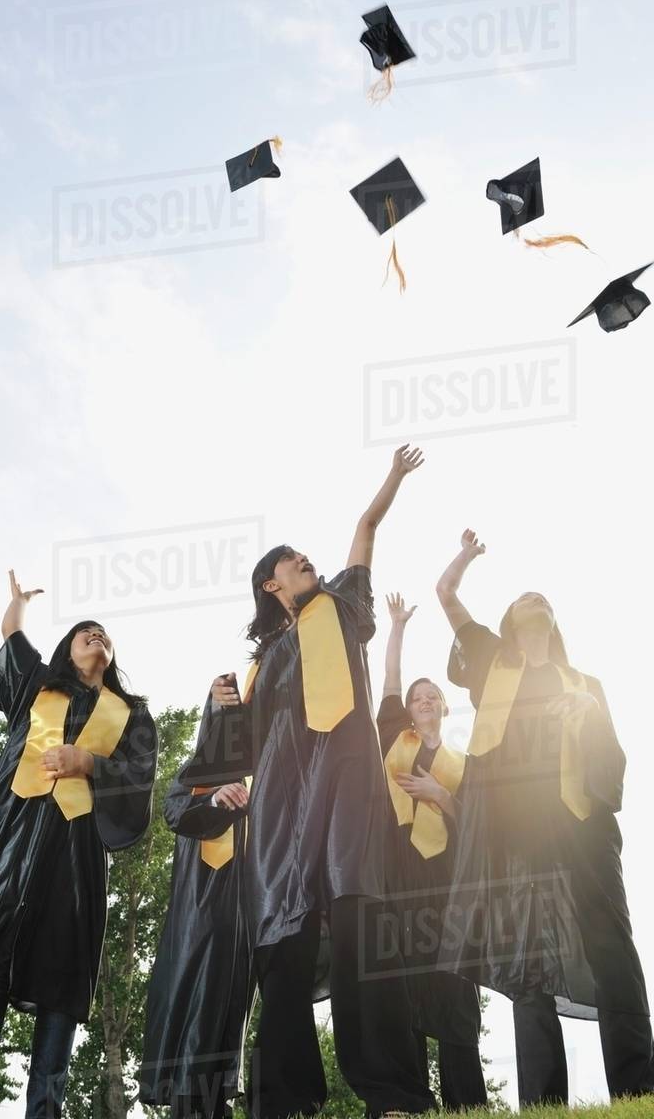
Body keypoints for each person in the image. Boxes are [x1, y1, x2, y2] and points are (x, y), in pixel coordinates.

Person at [182, 446, 437, 1119]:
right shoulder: (263, 661)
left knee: (359, 924)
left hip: (348, 780)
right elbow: (235, 749)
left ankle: (392, 1095)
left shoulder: (342, 604)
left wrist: (392, 478)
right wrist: (220, 701)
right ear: (271, 583)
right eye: (293, 561)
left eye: (306, 559)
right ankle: (287, 1101)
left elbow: (366, 528)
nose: (306, 564)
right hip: (280, 808)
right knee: (283, 948)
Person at [0, 571, 157, 1119]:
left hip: (75, 865)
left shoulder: (131, 714)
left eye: (104, 634)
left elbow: (140, 778)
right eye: (84, 631)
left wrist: (89, 761)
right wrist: (17, 606)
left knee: (60, 988)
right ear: (67, 649)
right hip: (10, 851)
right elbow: (11, 641)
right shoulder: (38, 690)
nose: (96, 636)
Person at [436, 529, 654, 1106]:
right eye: (523, 597)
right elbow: (447, 592)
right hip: (517, 833)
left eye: (542, 597)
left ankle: (638, 1082)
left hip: (583, 828)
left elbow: (613, 763)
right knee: (528, 958)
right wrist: (467, 555)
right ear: (511, 620)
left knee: (610, 946)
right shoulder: (488, 662)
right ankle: (543, 1101)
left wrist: (585, 714)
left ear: (553, 621)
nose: (534, 598)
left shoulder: (587, 686)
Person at [376, 592, 487, 1111]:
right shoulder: (390, 742)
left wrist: (442, 797)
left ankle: (466, 1102)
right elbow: (391, 682)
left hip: (447, 878)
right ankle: (410, 1100)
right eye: (417, 696)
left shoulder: (465, 763)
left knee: (454, 979)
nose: (422, 700)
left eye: (431, 696)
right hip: (398, 872)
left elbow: (480, 828)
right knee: (401, 982)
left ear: (444, 706)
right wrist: (396, 627)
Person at [140, 694, 254, 1119]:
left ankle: (216, 1105)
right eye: (222, 721)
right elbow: (173, 814)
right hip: (196, 910)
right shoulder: (194, 775)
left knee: (228, 1015)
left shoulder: (263, 776)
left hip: (244, 915)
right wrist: (213, 800)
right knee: (190, 1008)